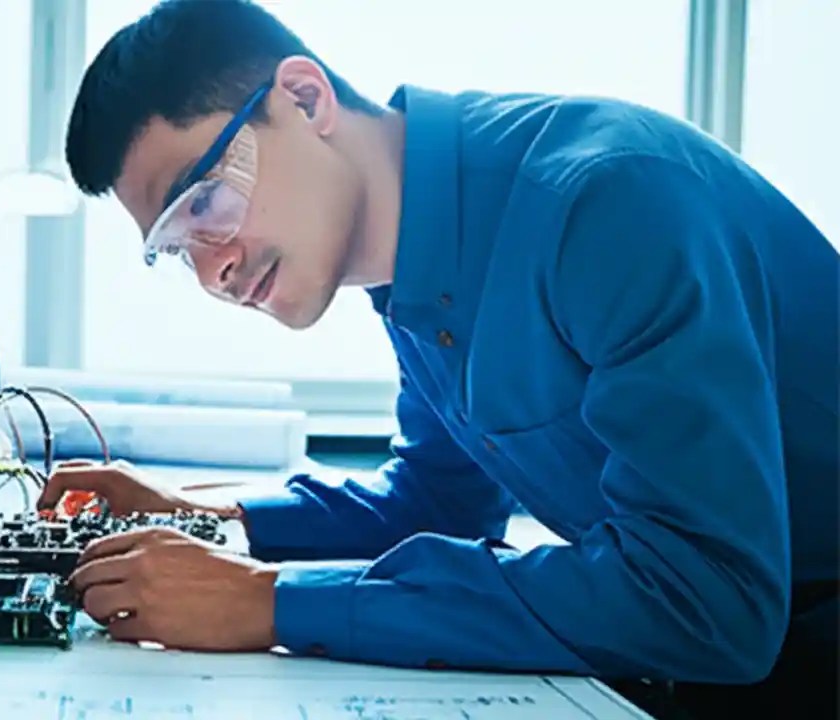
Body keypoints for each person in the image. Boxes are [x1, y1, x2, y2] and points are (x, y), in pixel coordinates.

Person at [45, 1, 839, 717]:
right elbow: (439, 502)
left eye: (205, 202)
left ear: (306, 99)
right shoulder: (415, 269)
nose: (212, 272)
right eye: (178, 248)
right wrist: (212, 519)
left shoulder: (602, 203)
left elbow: (708, 598)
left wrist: (271, 602)